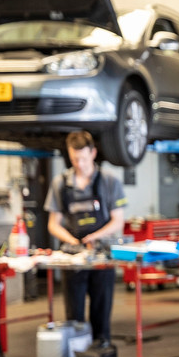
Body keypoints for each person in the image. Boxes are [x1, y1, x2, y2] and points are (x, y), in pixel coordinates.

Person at [45, 131, 128, 343]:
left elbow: (118, 221)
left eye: (82, 158)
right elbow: (53, 224)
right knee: (74, 316)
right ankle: (77, 353)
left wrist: (94, 236)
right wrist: (72, 241)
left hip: (102, 256)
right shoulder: (60, 184)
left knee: (101, 311)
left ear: (93, 153)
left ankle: (101, 351)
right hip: (73, 259)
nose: (79, 163)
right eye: (74, 159)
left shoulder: (110, 182)